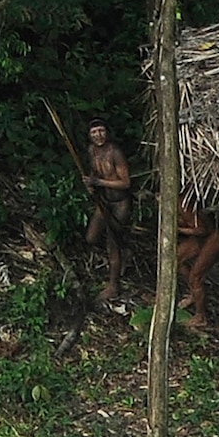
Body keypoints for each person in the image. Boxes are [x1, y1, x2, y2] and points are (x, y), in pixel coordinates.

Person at [82, 118, 131, 301]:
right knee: (91, 237)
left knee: (112, 244)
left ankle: (113, 285)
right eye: (94, 132)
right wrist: (91, 183)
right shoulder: (92, 150)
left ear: (107, 132)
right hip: (103, 201)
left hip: (120, 204)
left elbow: (125, 183)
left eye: (101, 131)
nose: (99, 135)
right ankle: (122, 253)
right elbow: (94, 172)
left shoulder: (115, 153)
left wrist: (99, 182)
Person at [177, 198, 219, 328]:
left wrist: (178, 230)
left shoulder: (181, 205)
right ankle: (194, 293)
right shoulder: (169, 207)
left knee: (195, 277)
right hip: (199, 238)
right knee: (176, 260)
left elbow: (202, 229)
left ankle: (200, 316)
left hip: (212, 238)